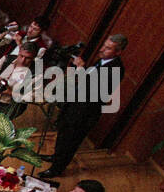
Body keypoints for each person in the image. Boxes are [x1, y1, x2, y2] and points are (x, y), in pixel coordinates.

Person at [42, 35, 127, 180]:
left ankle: (57, 169)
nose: (102, 49)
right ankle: (56, 156)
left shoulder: (116, 69)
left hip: (85, 112)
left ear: (118, 52)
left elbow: (93, 89)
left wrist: (81, 68)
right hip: (75, 104)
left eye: (108, 48)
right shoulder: (101, 61)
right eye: (104, 45)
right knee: (63, 133)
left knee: (71, 140)